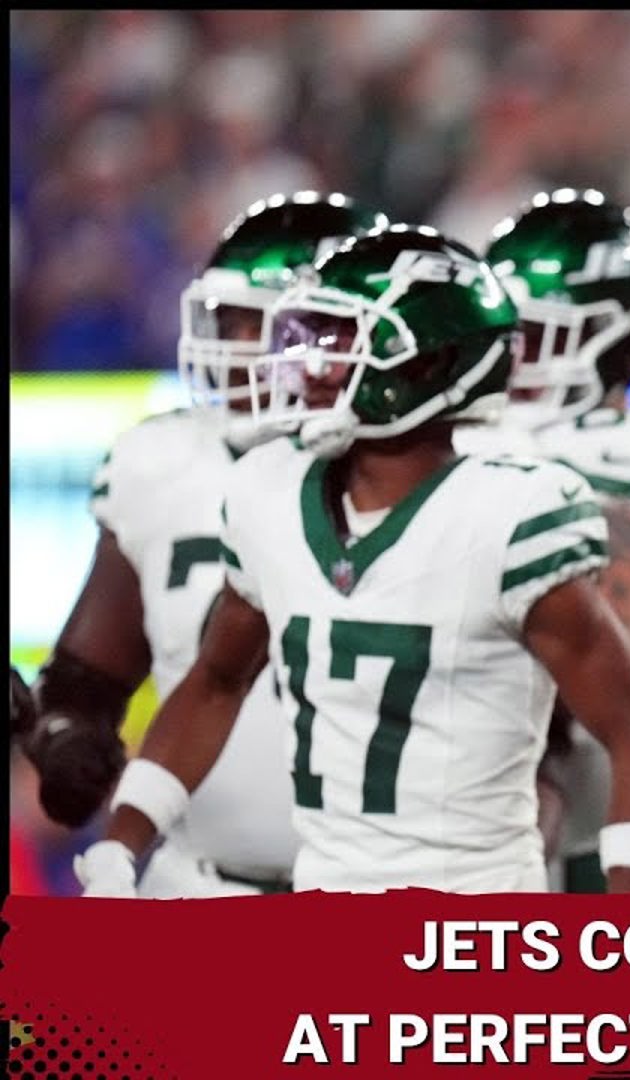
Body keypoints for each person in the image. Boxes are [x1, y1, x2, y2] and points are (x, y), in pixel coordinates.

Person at [74, 224, 630, 895]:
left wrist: (627, 933)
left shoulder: (513, 514)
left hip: (470, 930)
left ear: (424, 363)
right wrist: (122, 840)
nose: (303, 361)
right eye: (306, 333)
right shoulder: (267, 491)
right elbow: (215, 682)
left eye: (336, 338)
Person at [23, 191, 387, 897]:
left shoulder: (439, 475)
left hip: (389, 892)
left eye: (264, 322)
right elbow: (86, 684)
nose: (235, 346)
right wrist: (65, 740)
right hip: (199, 888)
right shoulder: (160, 466)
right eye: (231, 319)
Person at [473, 187, 630, 893]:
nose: (509, 352)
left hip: (610, 845)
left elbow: (618, 687)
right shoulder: (485, 443)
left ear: (615, 334)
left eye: (533, 331)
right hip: (510, 840)